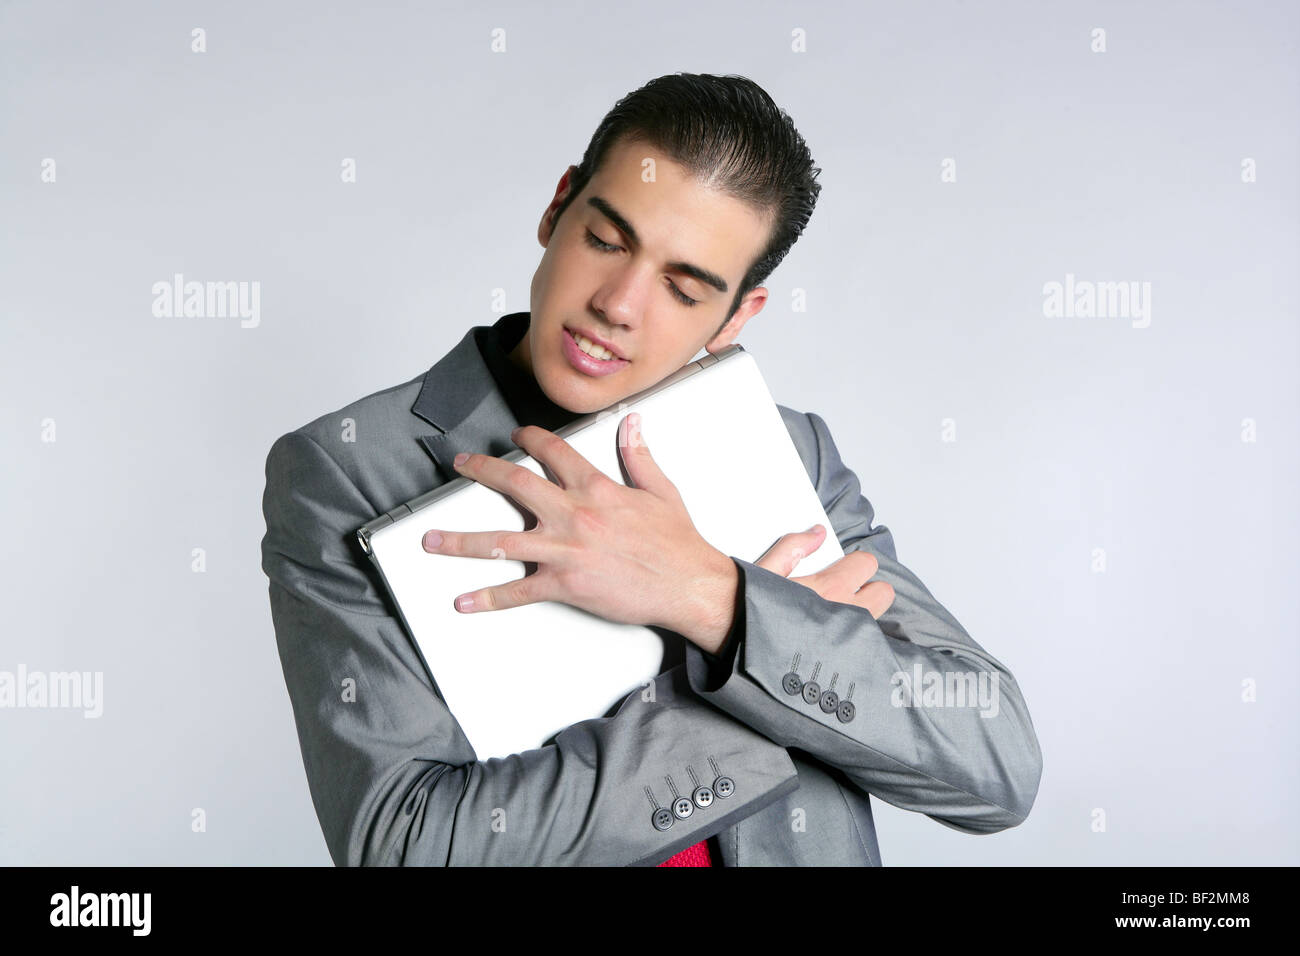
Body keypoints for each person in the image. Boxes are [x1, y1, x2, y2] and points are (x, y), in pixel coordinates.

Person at [260, 72, 1043, 866]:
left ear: (737, 317)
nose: (621, 304)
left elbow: (995, 763)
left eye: (683, 287)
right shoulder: (349, 470)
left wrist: (711, 599)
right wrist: (751, 677)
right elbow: (406, 847)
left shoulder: (790, 452)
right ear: (557, 206)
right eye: (606, 240)